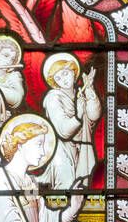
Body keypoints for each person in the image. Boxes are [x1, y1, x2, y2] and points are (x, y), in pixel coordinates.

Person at [41, 53, 102, 189]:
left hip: (84, 150)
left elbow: (94, 116)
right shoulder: (53, 99)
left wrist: (90, 92)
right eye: (58, 77)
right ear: (54, 82)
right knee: (65, 191)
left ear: (73, 72)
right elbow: (62, 130)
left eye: (65, 73)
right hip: (64, 153)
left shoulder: (80, 94)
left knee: (85, 190)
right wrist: (77, 116)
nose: (63, 79)